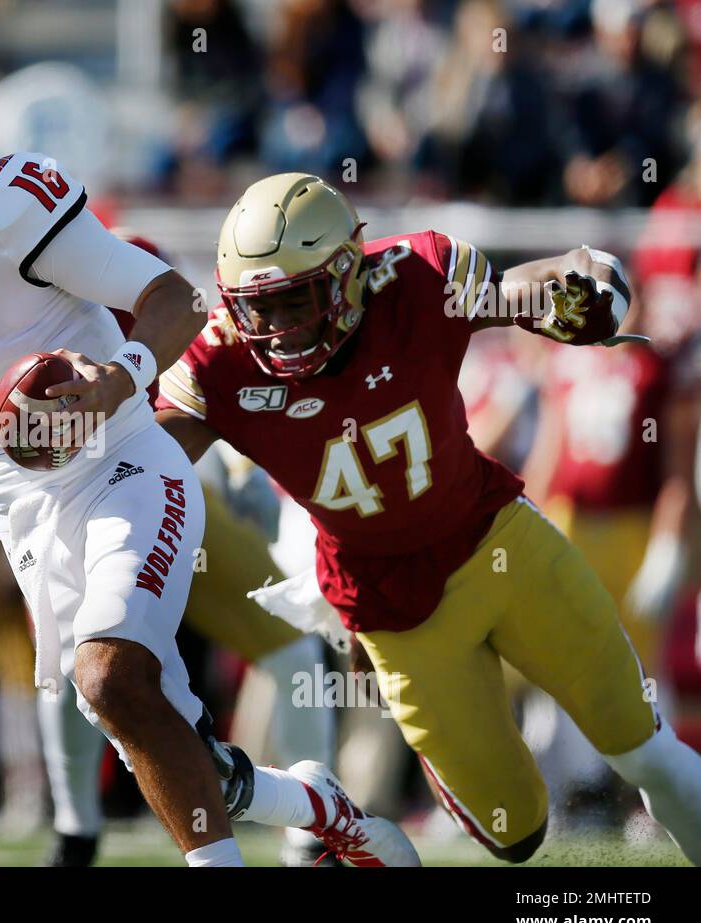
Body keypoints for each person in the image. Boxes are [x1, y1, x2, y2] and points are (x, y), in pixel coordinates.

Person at [0, 25, 419, 865]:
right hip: (23, 503)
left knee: (111, 678)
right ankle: (318, 806)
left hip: (121, 463)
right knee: (143, 722)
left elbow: (175, 300)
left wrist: (114, 383)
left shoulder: (5, 206)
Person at [154, 171, 701, 863]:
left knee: (646, 752)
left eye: (297, 299)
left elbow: (527, 285)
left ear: (349, 274)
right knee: (514, 833)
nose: (279, 328)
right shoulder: (219, 360)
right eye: (259, 307)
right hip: (389, 604)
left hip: (498, 542)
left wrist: (582, 281)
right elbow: (148, 455)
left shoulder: (417, 274)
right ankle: (340, 817)